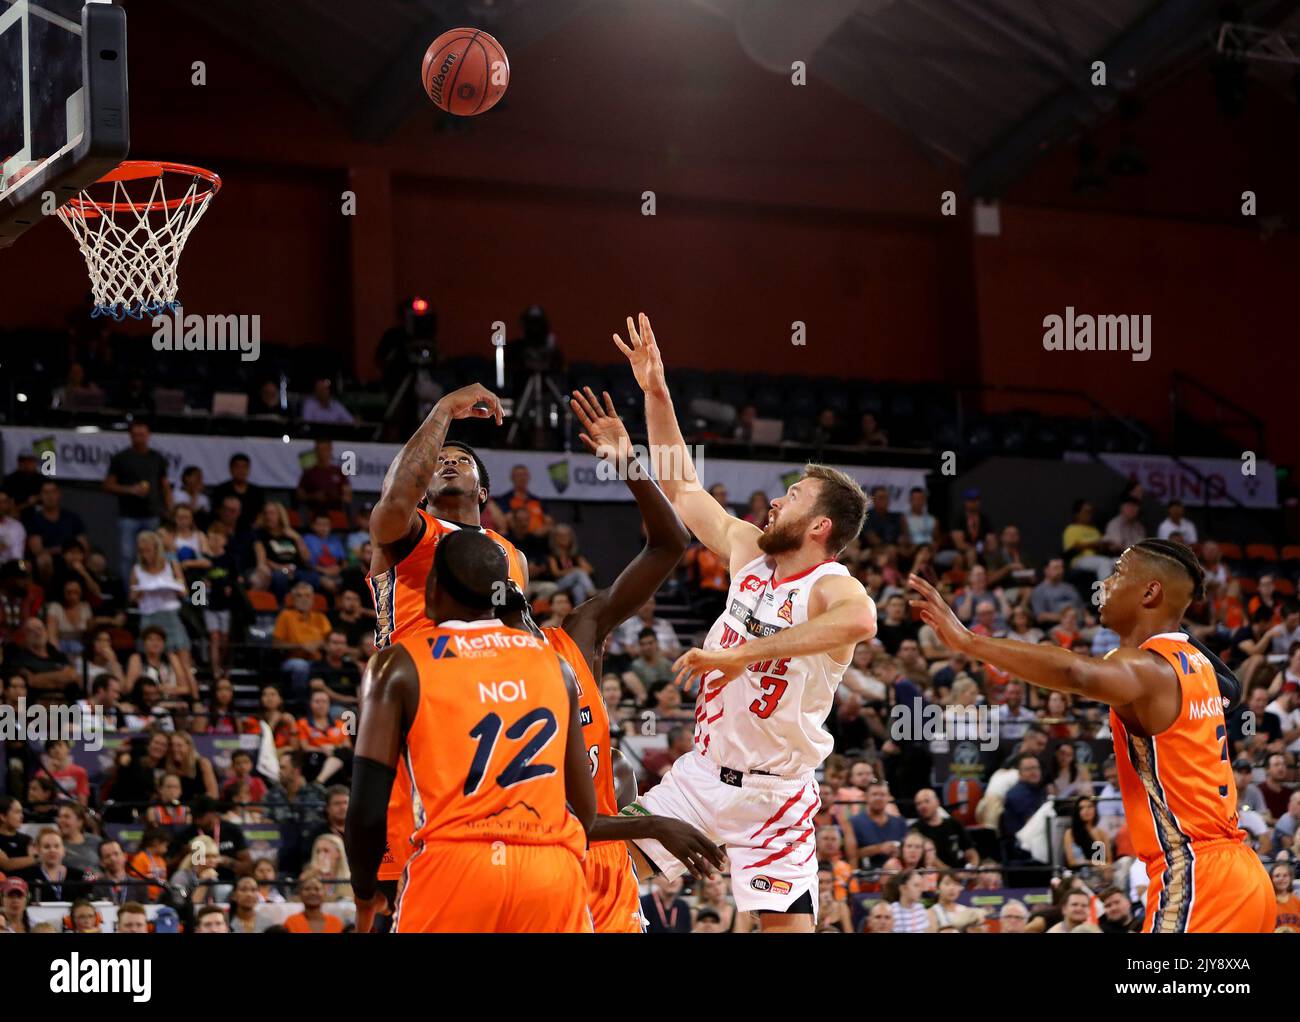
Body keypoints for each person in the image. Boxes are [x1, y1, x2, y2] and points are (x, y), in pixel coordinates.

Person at [615, 312, 875, 932]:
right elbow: (681, 485)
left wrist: (741, 656)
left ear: (821, 528)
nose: (777, 499)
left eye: (794, 497)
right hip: (701, 775)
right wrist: (655, 389)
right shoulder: (749, 549)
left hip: (777, 796)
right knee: (599, 873)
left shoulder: (828, 585)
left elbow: (861, 619)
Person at [910, 537, 1276, 932]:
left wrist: (969, 641)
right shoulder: (1198, 665)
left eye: (1118, 573)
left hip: (1196, 874)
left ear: (1150, 591)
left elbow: (1075, 673)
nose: (1105, 583)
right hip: (1245, 877)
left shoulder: (1148, 666)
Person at [344, 529, 597, 933]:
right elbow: (585, 811)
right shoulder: (555, 664)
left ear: (432, 588)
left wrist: (363, 891)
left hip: (457, 866)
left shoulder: (398, 665)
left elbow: (366, 811)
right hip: (551, 869)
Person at [361, 382, 529, 907]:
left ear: (484, 492)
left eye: (462, 459)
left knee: (488, 874)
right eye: (440, 460)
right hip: (414, 707)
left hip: (489, 722)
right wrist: (441, 414)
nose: (448, 462)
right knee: (408, 881)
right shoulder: (410, 530)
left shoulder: (511, 555)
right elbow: (393, 500)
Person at [102, 420, 173, 581]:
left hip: (152, 514)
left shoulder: (157, 458)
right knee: (127, 556)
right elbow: (107, 485)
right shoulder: (121, 458)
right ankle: (130, 596)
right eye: (136, 435)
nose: (139, 438)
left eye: (142, 435)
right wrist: (130, 490)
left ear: (148, 435)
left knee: (154, 554)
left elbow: (165, 486)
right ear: (130, 436)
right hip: (128, 515)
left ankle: (151, 589)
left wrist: (170, 509)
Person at [210, 454, 266, 536]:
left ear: (249, 469)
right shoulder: (221, 490)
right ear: (230, 469)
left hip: (251, 532)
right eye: (237, 467)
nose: (241, 470)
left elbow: (261, 514)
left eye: (244, 467)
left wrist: (254, 528)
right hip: (225, 531)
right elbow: (216, 512)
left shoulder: (257, 491)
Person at [296, 439, 353, 516]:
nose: (322, 453)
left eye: (325, 449)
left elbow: (348, 496)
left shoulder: (339, 472)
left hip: (335, 512)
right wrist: (313, 497)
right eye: (319, 450)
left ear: (330, 451)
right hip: (315, 514)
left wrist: (335, 497)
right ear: (315, 452)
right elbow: (300, 495)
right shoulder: (309, 473)